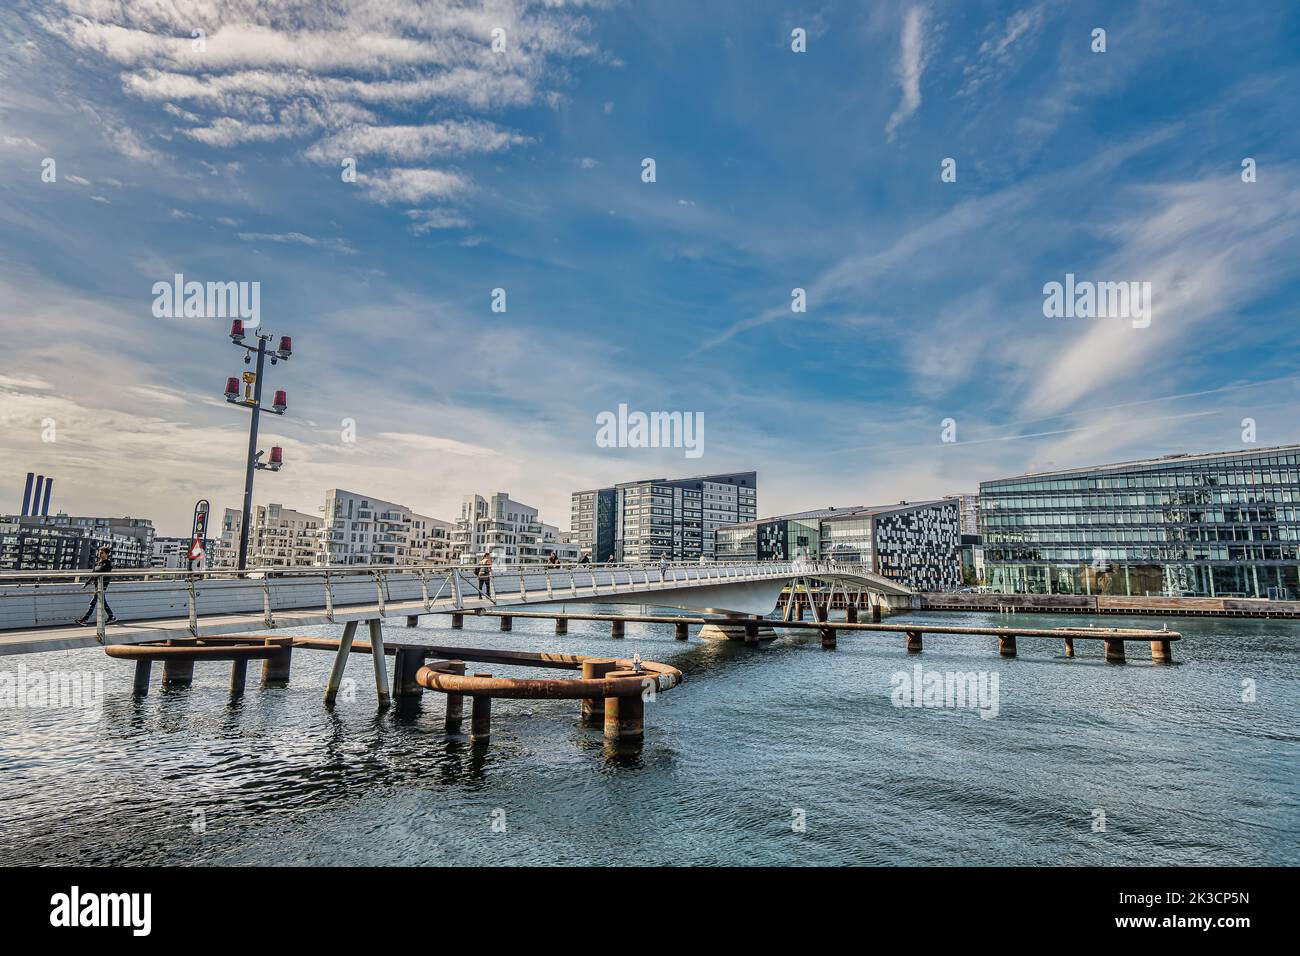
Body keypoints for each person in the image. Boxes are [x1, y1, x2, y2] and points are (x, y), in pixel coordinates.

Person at [75, 547, 117, 626]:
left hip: (102, 586)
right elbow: (93, 574)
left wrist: (101, 584)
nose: (99, 554)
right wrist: (86, 583)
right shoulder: (99, 563)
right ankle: (111, 617)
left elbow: (103, 575)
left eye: (102, 553)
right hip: (97, 585)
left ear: (107, 554)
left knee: (93, 603)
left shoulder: (108, 564)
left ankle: (84, 619)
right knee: (103, 603)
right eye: (99, 552)